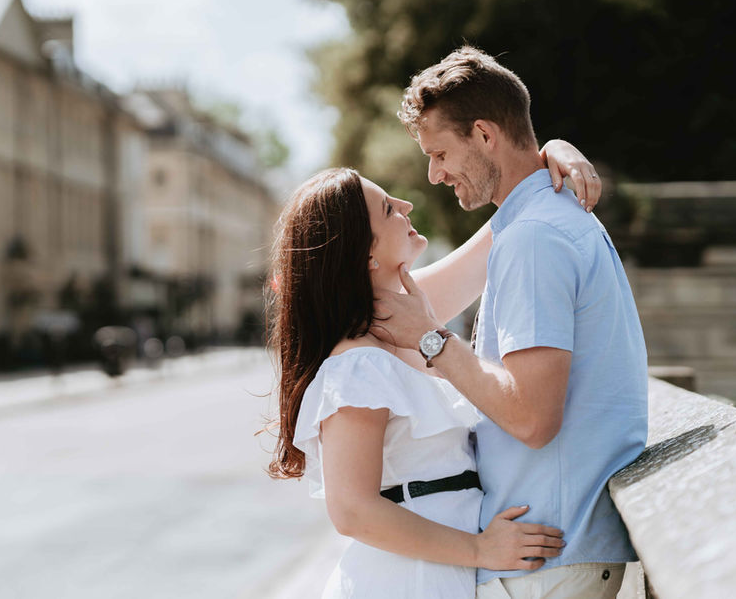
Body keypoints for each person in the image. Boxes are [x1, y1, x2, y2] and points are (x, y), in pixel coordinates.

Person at [372, 45, 649, 599]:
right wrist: (552, 148)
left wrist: (434, 342)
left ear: (483, 134)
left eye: (441, 153)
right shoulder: (538, 221)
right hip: (551, 548)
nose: (434, 175)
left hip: (548, 553)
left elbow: (531, 417)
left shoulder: (532, 238)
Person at [266, 141, 601, 598]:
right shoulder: (360, 362)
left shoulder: (397, 326)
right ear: (366, 256)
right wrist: (481, 550)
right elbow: (351, 510)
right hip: (408, 580)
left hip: (434, 574)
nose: (405, 203)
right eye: (387, 208)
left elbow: (500, 231)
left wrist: (548, 155)